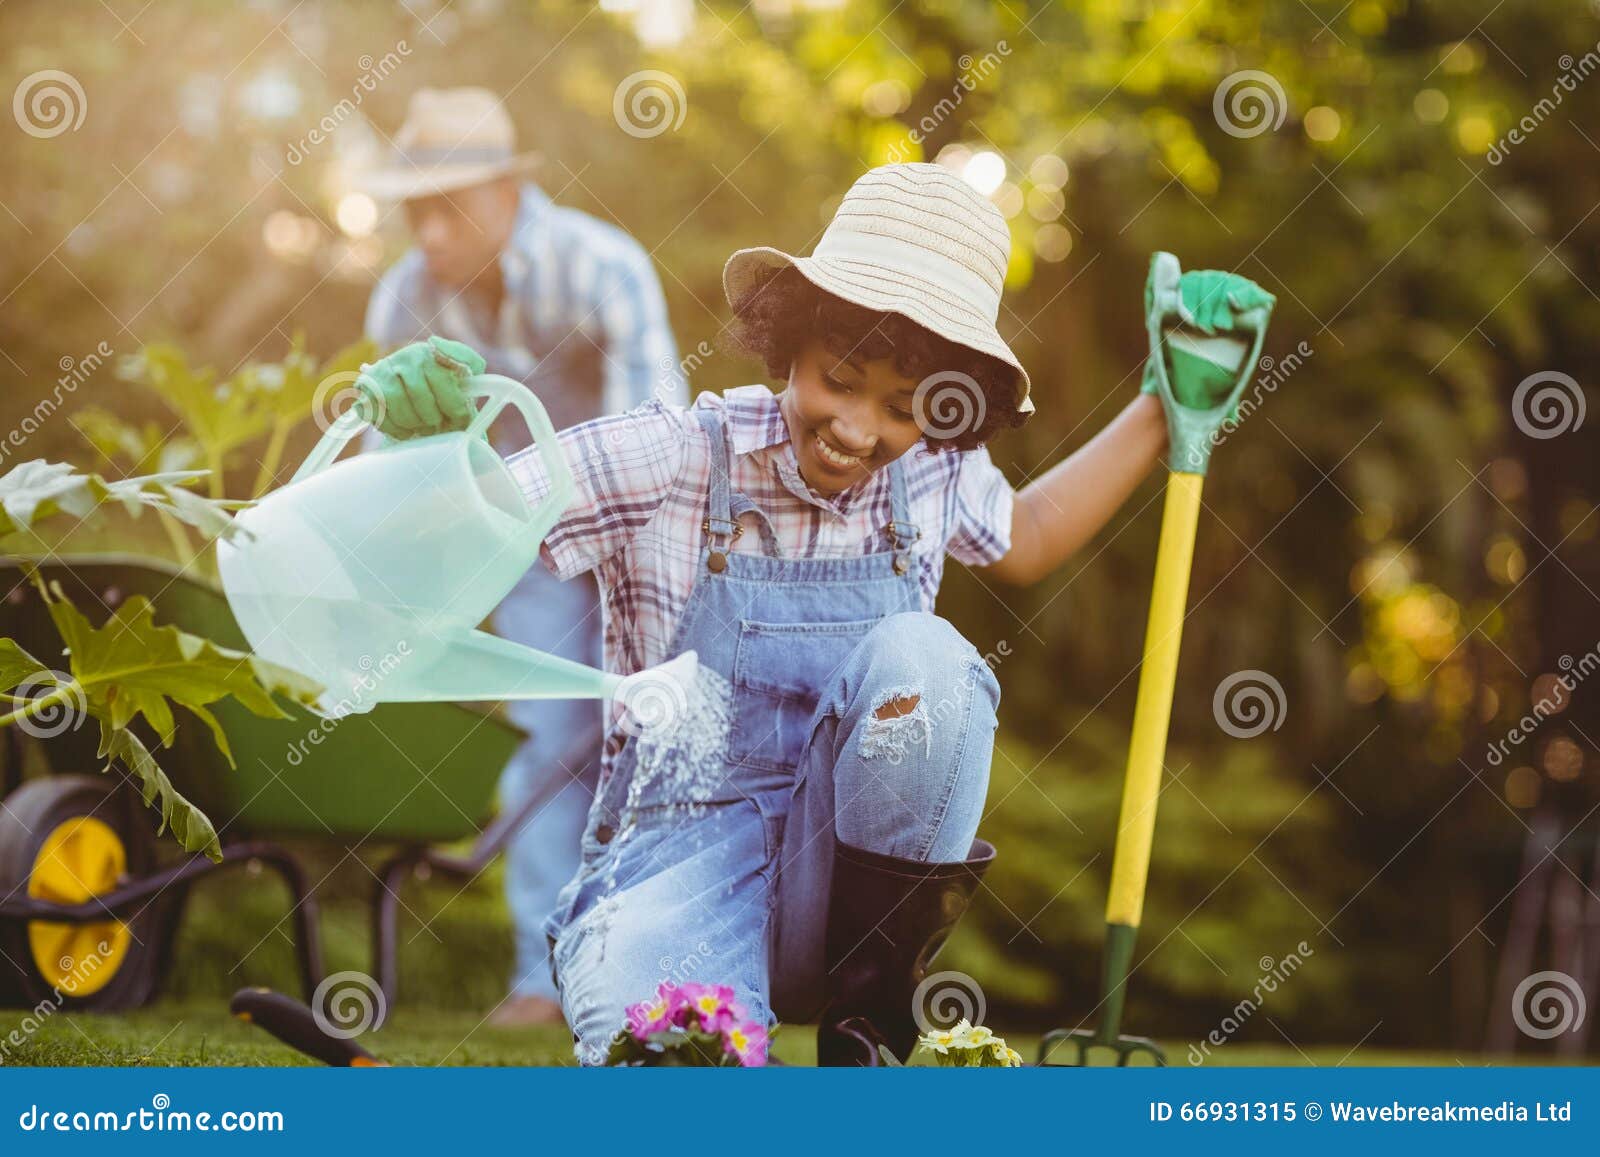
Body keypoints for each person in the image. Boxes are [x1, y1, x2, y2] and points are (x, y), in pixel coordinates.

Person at [355, 162, 1272, 1064]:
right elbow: (467, 528)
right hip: (673, 870)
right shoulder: (677, 452)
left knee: (931, 659)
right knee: (679, 1059)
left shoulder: (934, 472)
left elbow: (1025, 534)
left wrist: (1161, 406)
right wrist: (416, 444)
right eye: (840, 379)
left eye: (903, 409)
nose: (858, 430)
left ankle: (868, 1030)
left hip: (842, 900)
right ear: (789, 341)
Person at [359, 87, 683, 1027]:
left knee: (653, 733)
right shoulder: (407, 298)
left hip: (644, 532)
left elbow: (656, 428)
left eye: (450, 207)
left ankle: (661, 968)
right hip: (524, 546)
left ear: (506, 193)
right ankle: (547, 978)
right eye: (416, 212)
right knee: (545, 738)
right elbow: (393, 464)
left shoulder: (600, 266)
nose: (429, 232)